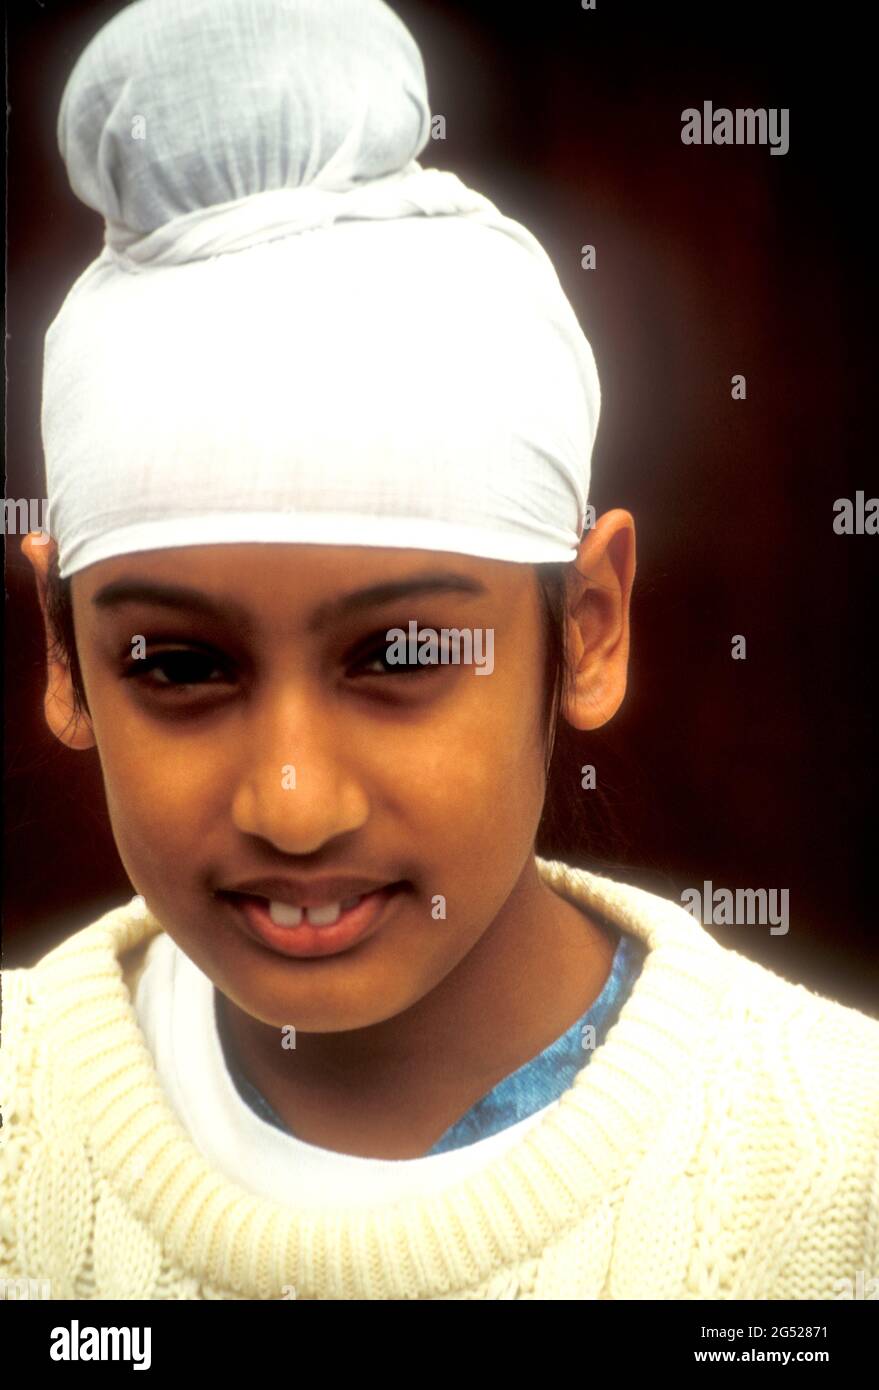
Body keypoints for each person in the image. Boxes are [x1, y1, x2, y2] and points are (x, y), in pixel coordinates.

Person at [2, 0, 877, 1302]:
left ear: (586, 630)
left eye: (401, 652)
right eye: (180, 666)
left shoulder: (837, 1172)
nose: (293, 802)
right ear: (65, 656)